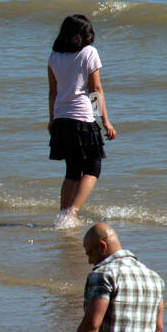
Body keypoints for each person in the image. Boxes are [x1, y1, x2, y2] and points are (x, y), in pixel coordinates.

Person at [47, 14, 115, 227]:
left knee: (72, 172)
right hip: (82, 119)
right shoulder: (89, 53)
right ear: (83, 35)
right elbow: (95, 89)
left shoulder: (54, 56)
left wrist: (52, 119)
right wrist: (105, 120)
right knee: (93, 169)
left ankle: (63, 215)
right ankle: (72, 213)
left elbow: (52, 92)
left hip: (61, 119)